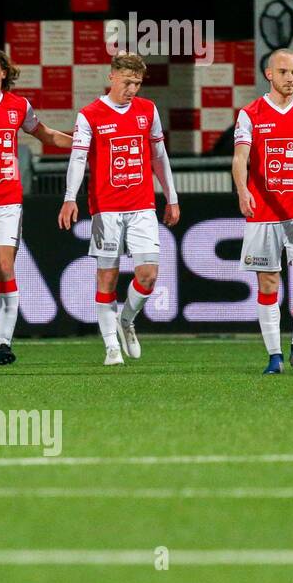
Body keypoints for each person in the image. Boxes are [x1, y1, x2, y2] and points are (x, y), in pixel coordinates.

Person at [59, 52, 179, 366]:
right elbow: (78, 159)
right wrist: (70, 198)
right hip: (106, 208)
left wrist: (172, 197)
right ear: (112, 76)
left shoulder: (147, 110)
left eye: (137, 83)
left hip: (142, 205)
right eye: (127, 82)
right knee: (107, 277)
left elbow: (159, 156)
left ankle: (126, 320)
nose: (132, 89)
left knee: (148, 275)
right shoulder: (90, 115)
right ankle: (111, 347)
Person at [0, 46, 72, 366]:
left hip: (8, 199)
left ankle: (5, 343)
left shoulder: (18, 106)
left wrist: (84, 144)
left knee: (4, 266)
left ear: (3, 72)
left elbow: (46, 135)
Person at [231, 48, 293, 374]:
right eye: (283, 72)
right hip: (263, 214)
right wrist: (243, 190)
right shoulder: (250, 114)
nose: (290, 78)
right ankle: (274, 355)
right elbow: (240, 158)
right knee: (268, 284)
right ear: (269, 74)